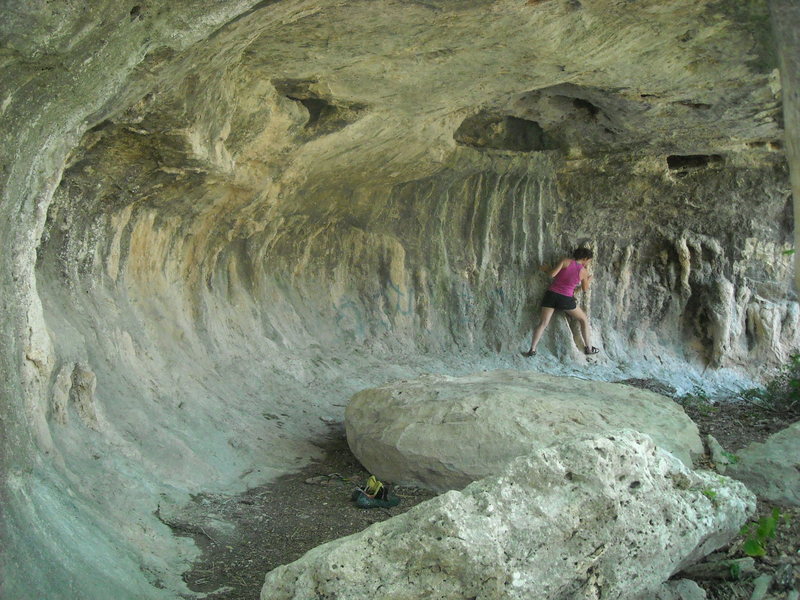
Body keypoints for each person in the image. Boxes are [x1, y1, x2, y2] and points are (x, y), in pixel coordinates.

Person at [522, 248, 599, 357]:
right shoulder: (583, 271)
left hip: (551, 295)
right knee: (583, 319)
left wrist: (547, 269)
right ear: (585, 259)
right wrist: (589, 279)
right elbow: (585, 289)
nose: (588, 262)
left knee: (543, 323)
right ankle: (589, 349)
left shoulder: (565, 261)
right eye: (589, 260)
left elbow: (552, 274)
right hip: (565, 299)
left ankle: (532, 349)